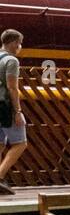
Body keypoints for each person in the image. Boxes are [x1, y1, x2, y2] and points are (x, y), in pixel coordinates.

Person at [0, 29, 26, 196]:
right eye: (19, 43)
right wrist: (18, 111)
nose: (20, 46)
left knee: (0, 143)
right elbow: (12, 87)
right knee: (20, 143)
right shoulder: (11, 61)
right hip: (5, 107)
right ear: (13, 42)